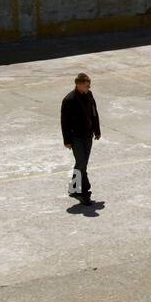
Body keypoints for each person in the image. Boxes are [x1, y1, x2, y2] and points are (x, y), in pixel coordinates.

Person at [61, 72, 101, 205]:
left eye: (89, 85)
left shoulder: (89, 95)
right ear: (78, 84)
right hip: (76, 137)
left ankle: (73, 188)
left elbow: (94, 113)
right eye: (86, 85)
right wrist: (67, 140)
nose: (89, 87)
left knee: (81, 164)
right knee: (82, 163)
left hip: (88, 135)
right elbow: (64, 122)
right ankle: (85, 192)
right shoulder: (69, 99)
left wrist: (97, 130)